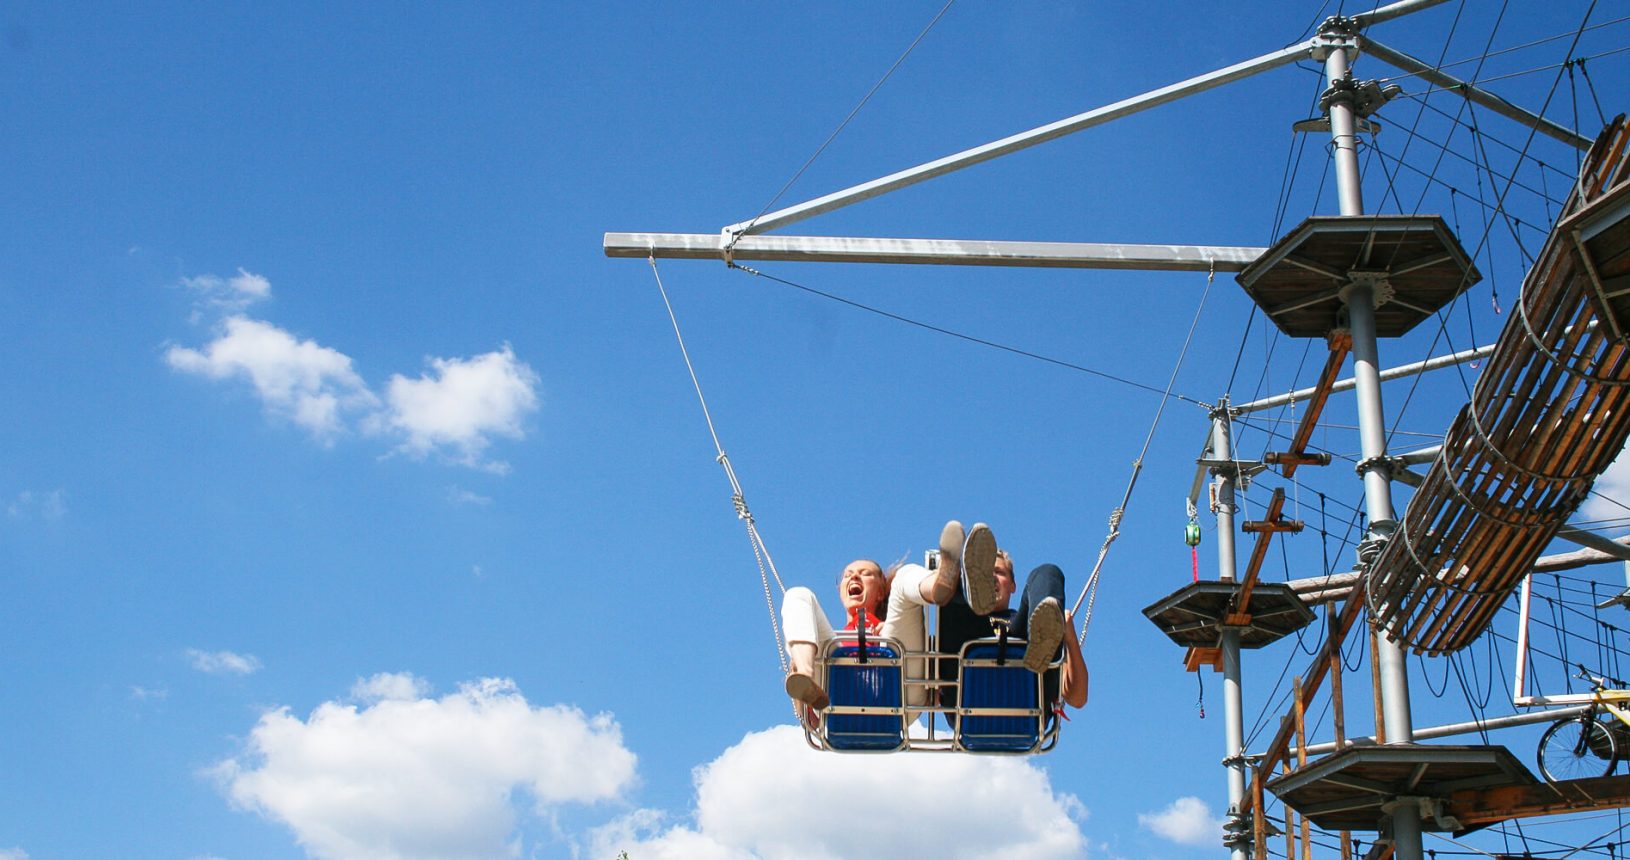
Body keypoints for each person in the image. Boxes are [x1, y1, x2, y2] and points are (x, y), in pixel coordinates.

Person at [936, 521, 1088, 710]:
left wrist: (1070, 639)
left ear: (1013, 585)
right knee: (953, 591)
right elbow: (928, 697)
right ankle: (968, 581)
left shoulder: (1035, 620)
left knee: (1047, 573)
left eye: (999, 572)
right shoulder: (962, 622)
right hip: (968, 683)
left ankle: (1039, 650)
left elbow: (1078, 698)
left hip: (1027, 682)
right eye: (986, 574)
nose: (992, 577)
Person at [781, 553, 953, 712]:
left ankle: (939, 585)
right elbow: (808, 721)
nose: (854, 576)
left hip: (898, 692)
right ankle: (805, 674)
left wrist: (885, 632)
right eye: (847, 575)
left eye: (865, 574)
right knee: (797, 594)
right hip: (836, 691)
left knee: (903, 575)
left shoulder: (892, 628)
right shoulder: (835, 643)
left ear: (880, 592)